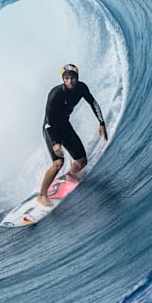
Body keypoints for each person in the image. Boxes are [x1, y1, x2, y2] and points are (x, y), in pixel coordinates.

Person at [38, 63, 108, 207]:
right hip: (51, 129)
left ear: (77, 78)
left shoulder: (81, 88)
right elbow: (48, 122)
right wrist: (55, 143)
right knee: (58, 163)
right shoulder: (55, 94)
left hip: (64, 125)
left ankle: (70, 175)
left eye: (73, 78)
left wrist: (101, 122)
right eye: (67, 78)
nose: (70, 81)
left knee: (82, 161)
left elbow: (93, 103)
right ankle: (41, 195)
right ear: (63, 80)